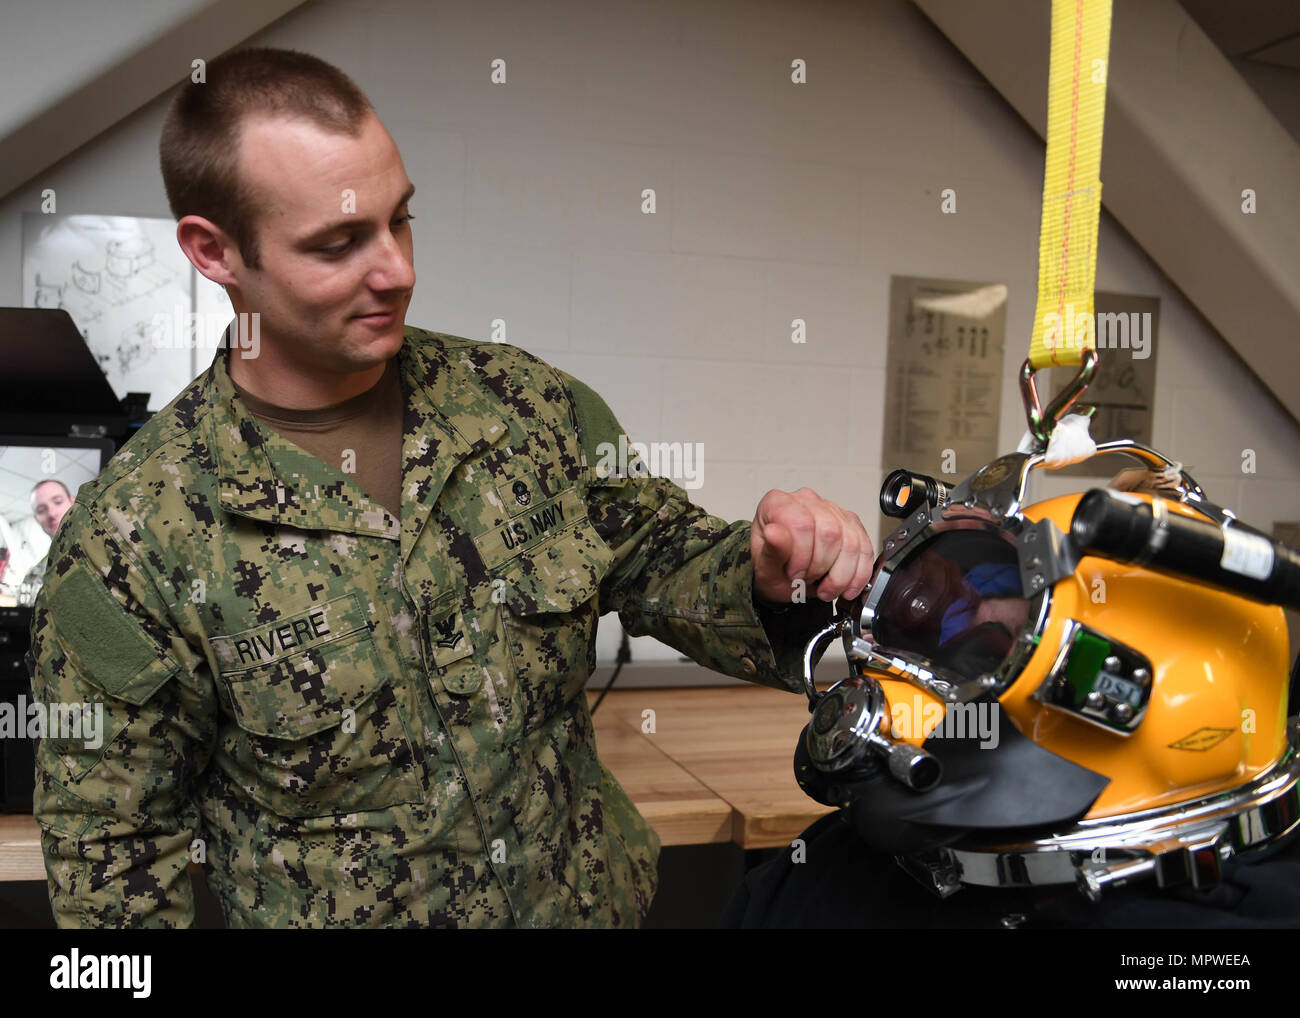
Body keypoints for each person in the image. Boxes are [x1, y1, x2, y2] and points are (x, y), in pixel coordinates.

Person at [27, 47, 875, 928]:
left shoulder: (527, 407)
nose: (396, 270)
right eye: (339, 243)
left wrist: (768, 573)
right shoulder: (133, 540)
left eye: (401, 220)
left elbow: (664, 559)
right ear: (215, 252)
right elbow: (109, 858)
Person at [17, 479, 72, 607]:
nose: (52, 514)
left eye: (58, 502)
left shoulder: (109, 548)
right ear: (37, 519)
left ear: (73, 502)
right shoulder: (32, 578)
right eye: (41, 510)